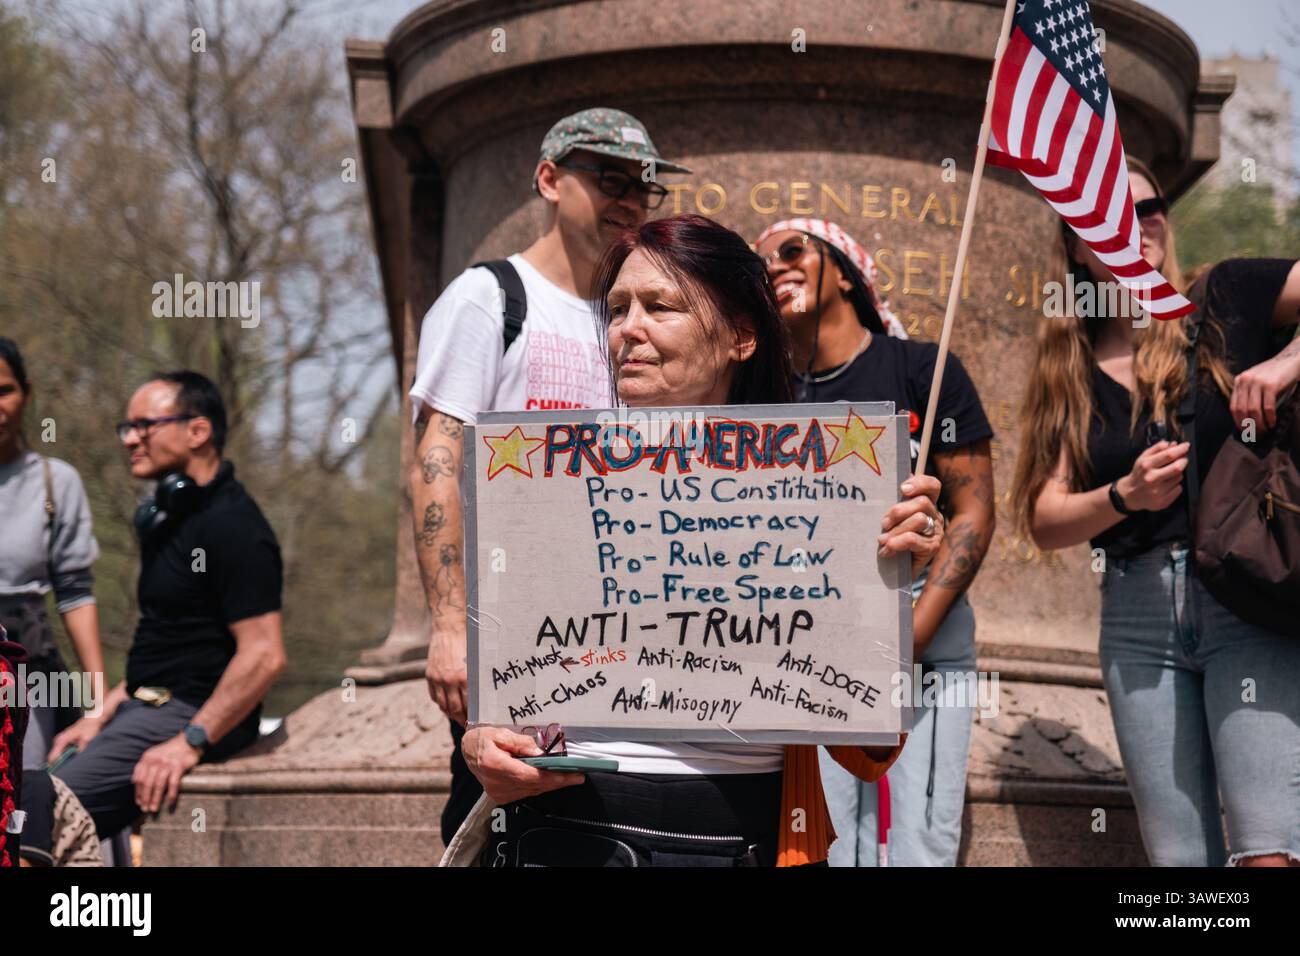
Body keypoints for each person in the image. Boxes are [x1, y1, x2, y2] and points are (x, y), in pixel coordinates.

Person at [457, 213, 947, 867]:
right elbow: (506, 697)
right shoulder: (544, 477)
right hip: (568, 837)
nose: (628, 330)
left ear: (741, 336)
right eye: (618, 308)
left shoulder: (820, 492)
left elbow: (866, 749)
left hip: (746, 841)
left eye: (660, 307)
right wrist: (483, 742)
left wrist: (889, 582)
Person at [408, 108, 691, 845]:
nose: (630, 199)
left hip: (618, 635)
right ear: (548, 179)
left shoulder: (625, 318)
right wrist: (446, 626)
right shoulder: (491, 299)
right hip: (509, 636)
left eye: (644, 187)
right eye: (609, 178)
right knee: (501, 811)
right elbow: (435, 459)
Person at [1011, 157, 1300, 867]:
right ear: (1079, 245)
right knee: (1178, 865)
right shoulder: (1067, 363)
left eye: (1150, 207)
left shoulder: (1226, 296)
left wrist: (1288, 361)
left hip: (1244, 597)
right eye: (1113, 213)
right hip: (1135, 617)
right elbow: (1044, 516)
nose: (1141, 224)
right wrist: (1123, 497)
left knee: (1269, 849)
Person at [755, 219, 996, 867]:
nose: (774, 265)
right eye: (762, 261)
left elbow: (974, 514)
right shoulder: (765, 396)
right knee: (825, 850)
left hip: (920, 653)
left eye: (793, 249)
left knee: (914, 850)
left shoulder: (922, 370)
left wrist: (903, 643)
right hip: (809, 662)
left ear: (845, 271)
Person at [18, 370, 287, 862]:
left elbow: (265, 655)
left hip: (187, 714)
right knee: (26, 793)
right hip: (144, 706)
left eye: (144, 425)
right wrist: (100, 713)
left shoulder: (234, 527)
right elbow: (163, 650)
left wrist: (190, 743)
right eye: (127, 427)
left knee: (37, 813)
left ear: (198, 431)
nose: (130, 439)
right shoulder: (168, 520)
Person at [0, 338, 105, 772]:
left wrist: (99, 704)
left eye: (4, 391)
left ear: (27, 393)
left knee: (24, 794)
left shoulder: (55, 483)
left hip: (26, 668)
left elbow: (76, 594)